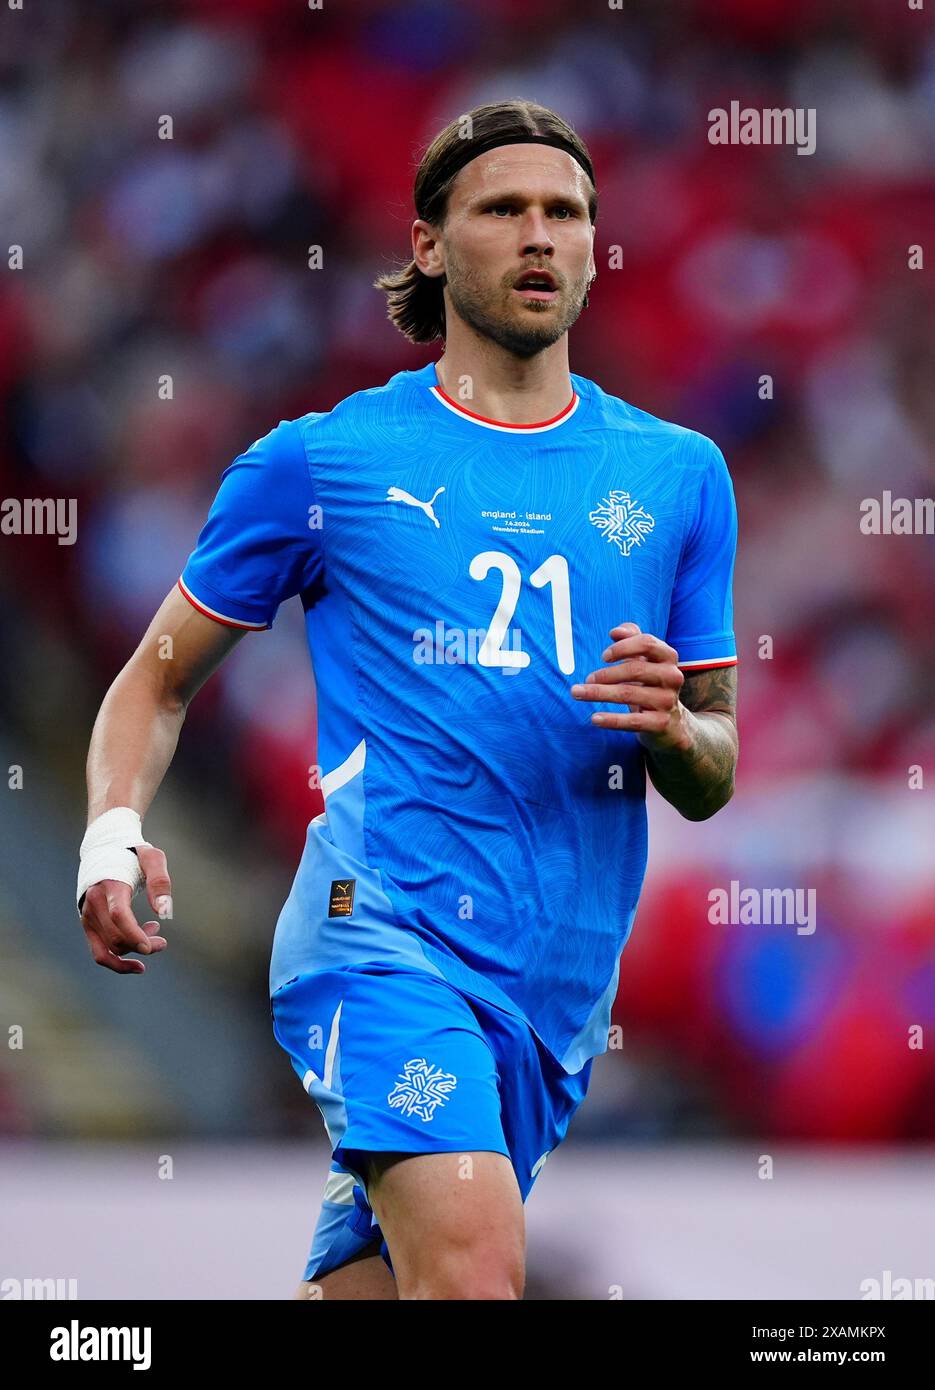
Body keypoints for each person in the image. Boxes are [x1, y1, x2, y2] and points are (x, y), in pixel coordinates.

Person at [77, 99, 739, 1301]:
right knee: (479, 1273)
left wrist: (674, 727)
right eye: (503, 210)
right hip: (376, 933)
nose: (541, 235)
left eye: (566, 212)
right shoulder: (322, 461)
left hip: (551, 994)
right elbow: (156, 680)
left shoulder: (680, 475)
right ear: (430, 244)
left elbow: (715, 768)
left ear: (596, 244)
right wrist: (111, 837)